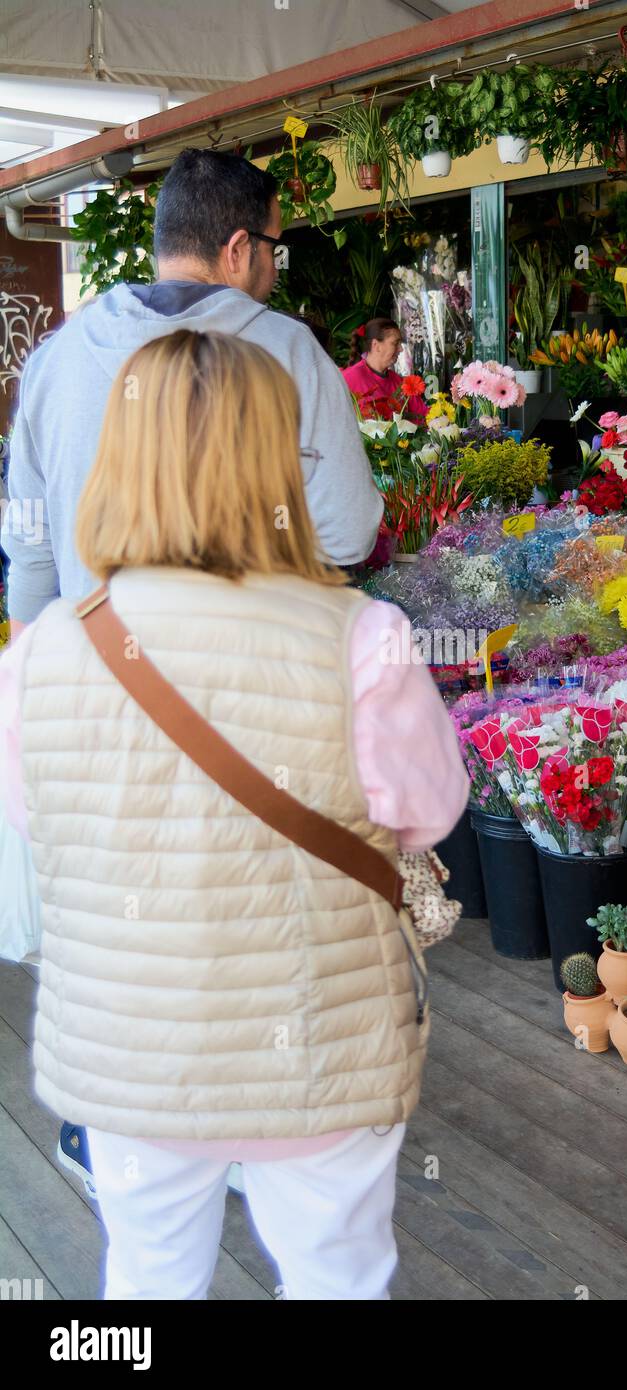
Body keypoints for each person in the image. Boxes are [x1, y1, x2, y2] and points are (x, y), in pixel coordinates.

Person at [0, 329, 468, 1300]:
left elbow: (40, 831)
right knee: (336, 1277)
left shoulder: (41, 654)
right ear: (279, 462)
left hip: (131, 1047)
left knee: (146, 1278)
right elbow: (425, 813)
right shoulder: (362, 638)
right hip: (320, 1044)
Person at [0, 147, 383, 637]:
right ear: (239, 249)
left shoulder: (55, 358)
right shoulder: (291, 354)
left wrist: (29, 678)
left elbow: (33, 549)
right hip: (250, 682)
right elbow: (348, 535)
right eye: (274, 247)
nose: (275, 264)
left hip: (94, 682)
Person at [341, 317, 427, 423]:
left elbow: (424, 417)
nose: (401, 349)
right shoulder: (348, 378)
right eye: (395, 343)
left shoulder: (401, 383)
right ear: (376, 345)